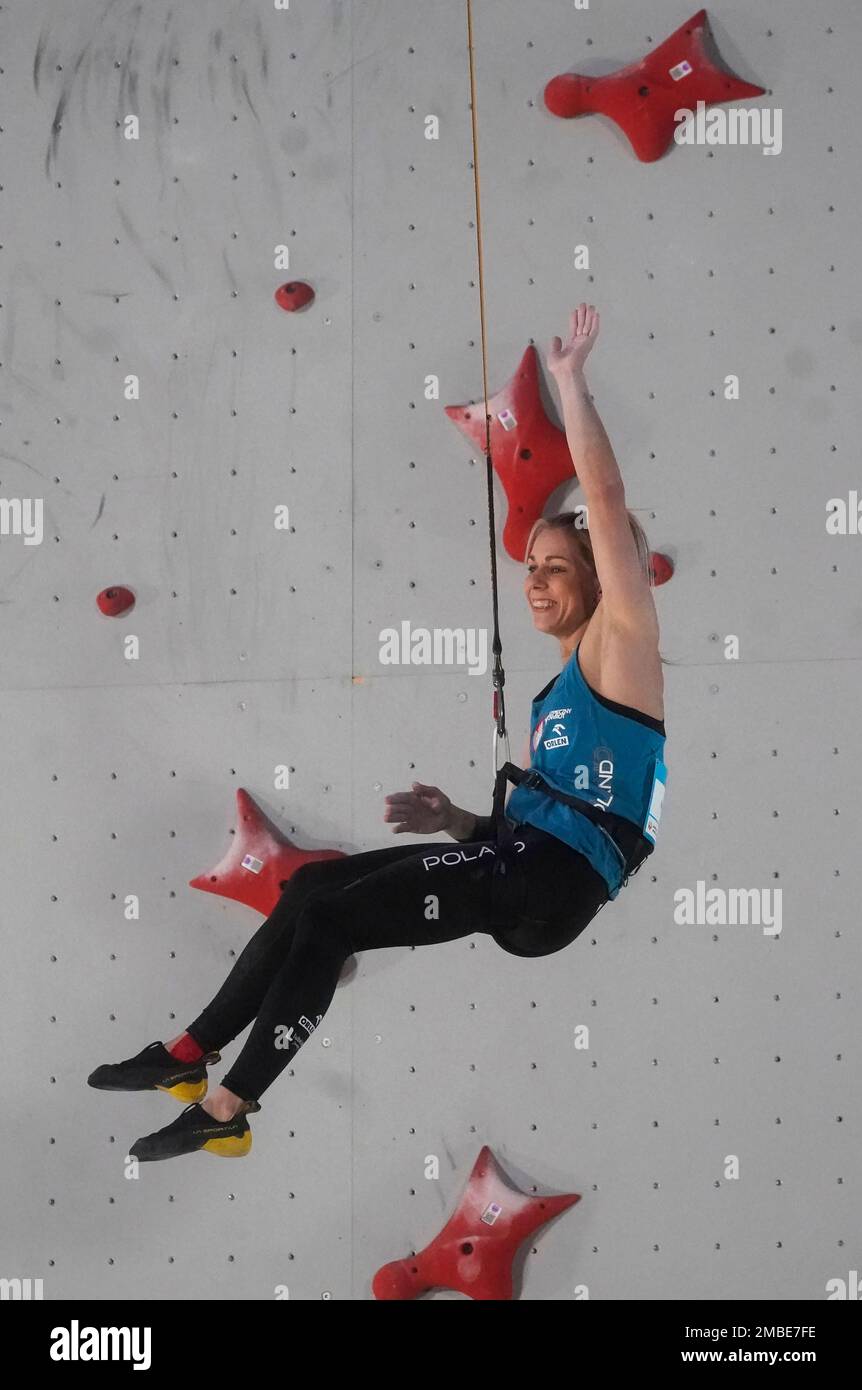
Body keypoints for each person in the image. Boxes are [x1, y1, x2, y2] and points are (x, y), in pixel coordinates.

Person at [87, 304, 666, 1162]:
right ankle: (184, 1055)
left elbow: (607, 500)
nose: (537, 583)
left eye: (556, 568)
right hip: (527, 871)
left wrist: (572, 384)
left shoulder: (623, 646)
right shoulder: (563, 695)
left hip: (550, 890)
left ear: (600, 577)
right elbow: (532, 830)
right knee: (310, 893)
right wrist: (458, 820)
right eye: (532, 568)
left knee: (333, 927)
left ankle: (227, 1108)